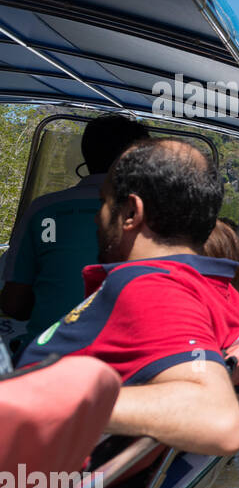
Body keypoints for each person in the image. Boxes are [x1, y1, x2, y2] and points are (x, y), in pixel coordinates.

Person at [17, 139, 239, 454]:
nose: (96, 218)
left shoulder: (149, 286)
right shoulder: (227, 297)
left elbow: (217, 420)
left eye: (104, 203)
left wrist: (36, 398)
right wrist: (236, 364)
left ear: (131, 211)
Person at [1, 115, 149, 352]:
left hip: (45, 355)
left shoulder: (44, 210)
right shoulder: (152, 215)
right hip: (123, 359)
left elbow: (14, 304)